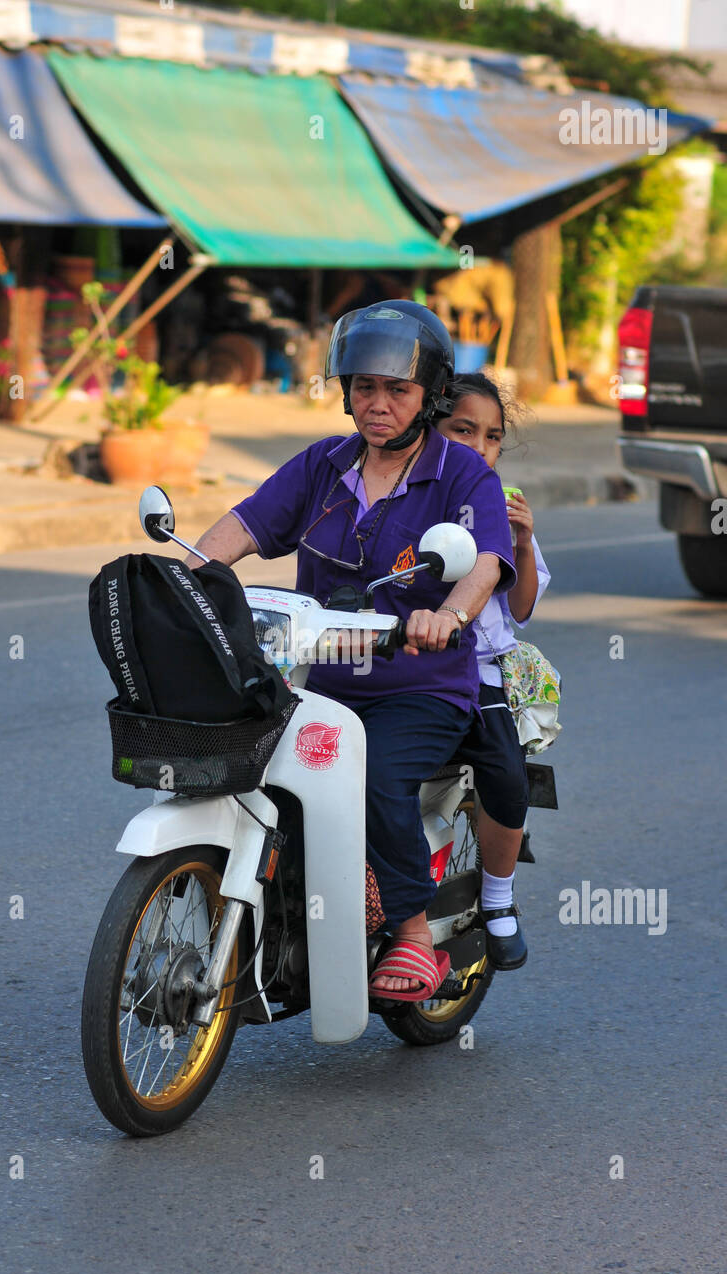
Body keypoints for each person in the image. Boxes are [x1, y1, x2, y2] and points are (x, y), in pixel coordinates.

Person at [187, 302, 516, 999]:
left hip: (418, 687)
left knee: (370, 772)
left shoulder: (461, 475)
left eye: (396, 390)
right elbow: (244, 525)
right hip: (316, 680)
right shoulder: (322, 466)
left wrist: (449, 614)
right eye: (364, 387)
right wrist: (185, 577)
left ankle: (412, 933)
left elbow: (487, 559)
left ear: (427, 396)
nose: (376, 404)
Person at [437, 372, 552, 969]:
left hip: (476, 671)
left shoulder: (500, 506)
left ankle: (499, 899)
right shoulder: (411, 491)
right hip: (396, 663)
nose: (480, 448)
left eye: (492, 438)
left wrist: (524, 545)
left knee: (503, 769)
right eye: (463, 431)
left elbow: (524, 607)